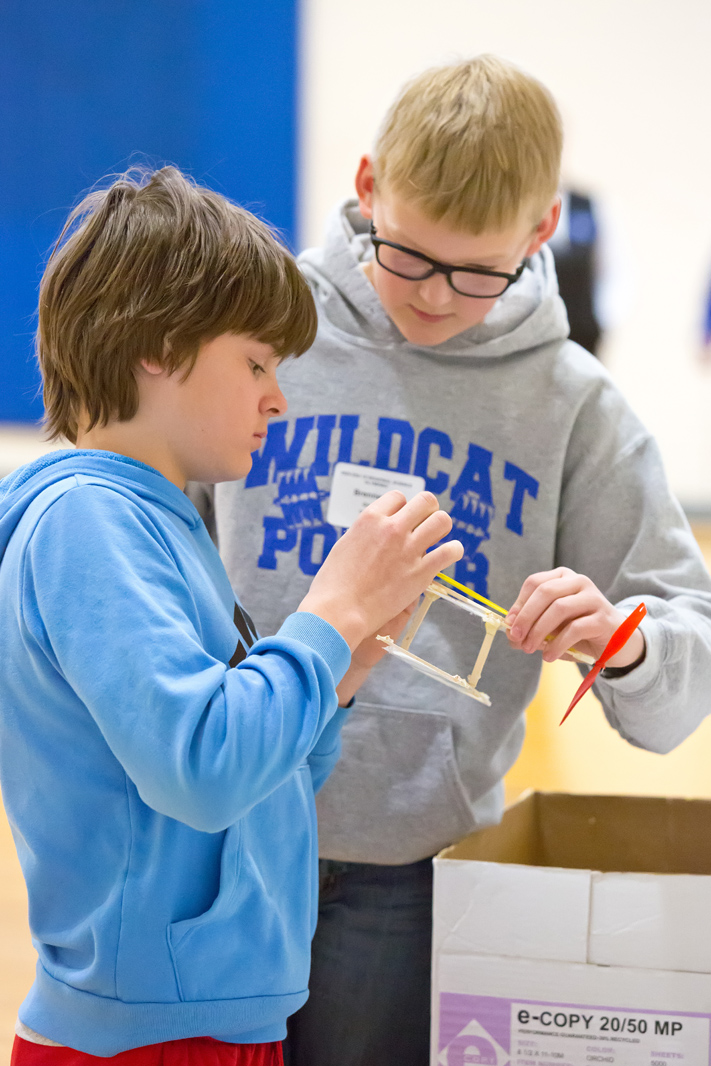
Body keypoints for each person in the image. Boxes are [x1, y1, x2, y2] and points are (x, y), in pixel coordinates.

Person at [192, 55, 711, 1066]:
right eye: (408, 257)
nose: (435, 297)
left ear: (542, 231)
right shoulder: (258, 333)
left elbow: (680, 684)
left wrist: (626, 646)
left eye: (478, 272)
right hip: (213, 840)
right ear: (368, 186)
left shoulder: (576, 410)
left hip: (408, 874)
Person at [0, 167, 463, 1064]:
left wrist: (340, 671)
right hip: (147, 1037)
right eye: (255, 362)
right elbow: (202, 773)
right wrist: (322, 619)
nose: (277, 397)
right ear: (160, 348)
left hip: (209, 1017)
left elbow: (263, 772)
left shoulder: (157, 520)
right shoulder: (90, 525)